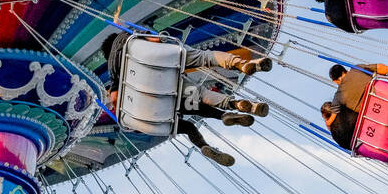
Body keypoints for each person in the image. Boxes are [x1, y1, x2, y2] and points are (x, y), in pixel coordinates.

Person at [102, 33, 270, 167]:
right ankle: (239, 74)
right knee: (202, 67)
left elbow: (115, 98)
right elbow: (154, 40)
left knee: (188, 124)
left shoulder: (113, 70)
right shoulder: (128, 38)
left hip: (154, 103)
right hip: (166, 69)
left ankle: (205, 145)